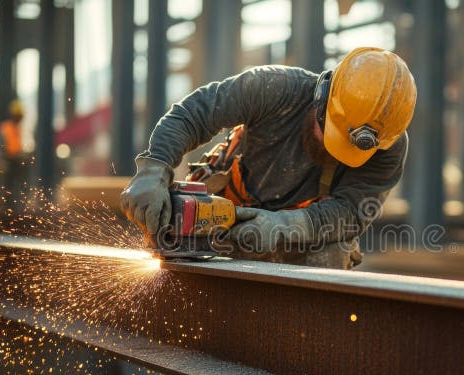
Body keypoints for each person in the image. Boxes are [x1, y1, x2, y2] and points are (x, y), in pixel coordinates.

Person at [121, 47, 417, 269]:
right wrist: (154, 169)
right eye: (329, 133)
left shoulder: (388, 146)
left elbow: (352, 214)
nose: (331, 150)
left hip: (300, 236)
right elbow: (193, 114)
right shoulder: (275, 89)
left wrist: (282, 226)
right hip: (228, 212)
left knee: (335, 249)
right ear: (323, 95)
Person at [0, 100, 25, 204]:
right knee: (8, 185)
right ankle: (7, 207)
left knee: (18, 185)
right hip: (8, 160)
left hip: (17, 159)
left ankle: (17, 206)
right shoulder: (6, 127)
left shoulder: (20, 128)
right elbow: (2, 145)